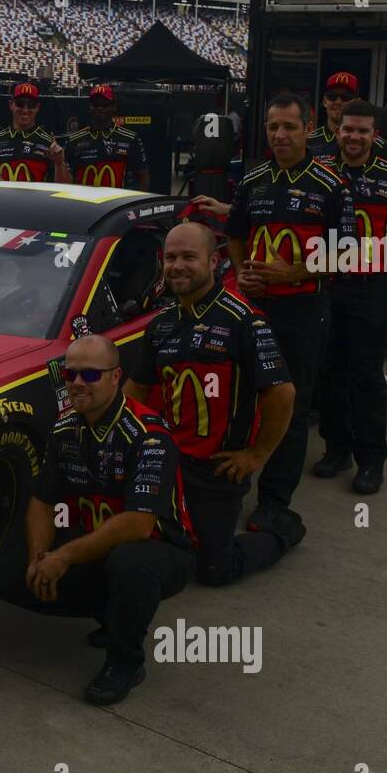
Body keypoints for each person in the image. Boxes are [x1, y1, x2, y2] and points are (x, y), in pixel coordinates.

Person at [0, 334, 195, 705]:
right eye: (70, 375)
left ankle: (126, 662)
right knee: (6, 570)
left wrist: (63, 558)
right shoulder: (64, 428)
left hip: (161, 549)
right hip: (96, 542)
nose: (78, 384)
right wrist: (40, 557)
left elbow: (138, 524)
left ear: (116, 377)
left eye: (90, 375)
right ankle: (112, 615)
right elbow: (41, 500)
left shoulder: (149, 436)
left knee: (131, 563)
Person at [126, 223, 299, 587]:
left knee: (213, 570)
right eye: (171, 258)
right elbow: (135, 392)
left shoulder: (245, 322)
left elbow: (282, 394)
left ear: (213, 260)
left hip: (216, 469)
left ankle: (282, 530)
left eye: (189, 256)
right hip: (169, 460)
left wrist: (256, 456)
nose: (178, 266)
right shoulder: (160, 325)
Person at [225, 93, 357, 537]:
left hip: (303, 310)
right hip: (254, 309)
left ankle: (275, 501)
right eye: (273, 127)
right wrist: (243, 272)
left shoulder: (332, 185)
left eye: (289, 127)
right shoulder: (253, 180)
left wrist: (292, 272)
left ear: (308, 129)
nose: (280, 135)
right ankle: (232, 484)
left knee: (290, 404)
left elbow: (348, 254)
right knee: (243, 397)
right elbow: (235, 234)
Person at [313, 100, 387, 495]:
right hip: (326, 283)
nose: (354, 137)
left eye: (363, 131)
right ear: (337, 131)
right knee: (329, 372)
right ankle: (336, 449)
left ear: (374, 135)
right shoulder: (320, 172)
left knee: (366, 376)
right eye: (348, 129)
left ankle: (371, 461)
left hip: (373, 286)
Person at [64, 84, 149, 189]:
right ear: (89, 106)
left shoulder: (130, 139)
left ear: (114, 106)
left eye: (105, 104)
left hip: (118, 203)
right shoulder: (74, 140)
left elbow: (143, 178)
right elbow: (65, 180)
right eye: (95, 104)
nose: (99, 108)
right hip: (83, 204)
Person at [0, 82, 71, 184]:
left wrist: (59, 164)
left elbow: (64, 187)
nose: (25, 110)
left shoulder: (49, 144)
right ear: (11, 105)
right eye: (20, 104)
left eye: (31, 105)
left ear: (37, 107)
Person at [307, 72, 387, 162]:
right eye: (332, 96)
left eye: (345, 97)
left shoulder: (377, 145)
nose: (338, 102)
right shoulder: (309, 141)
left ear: (357, 102)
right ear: (324, 101)